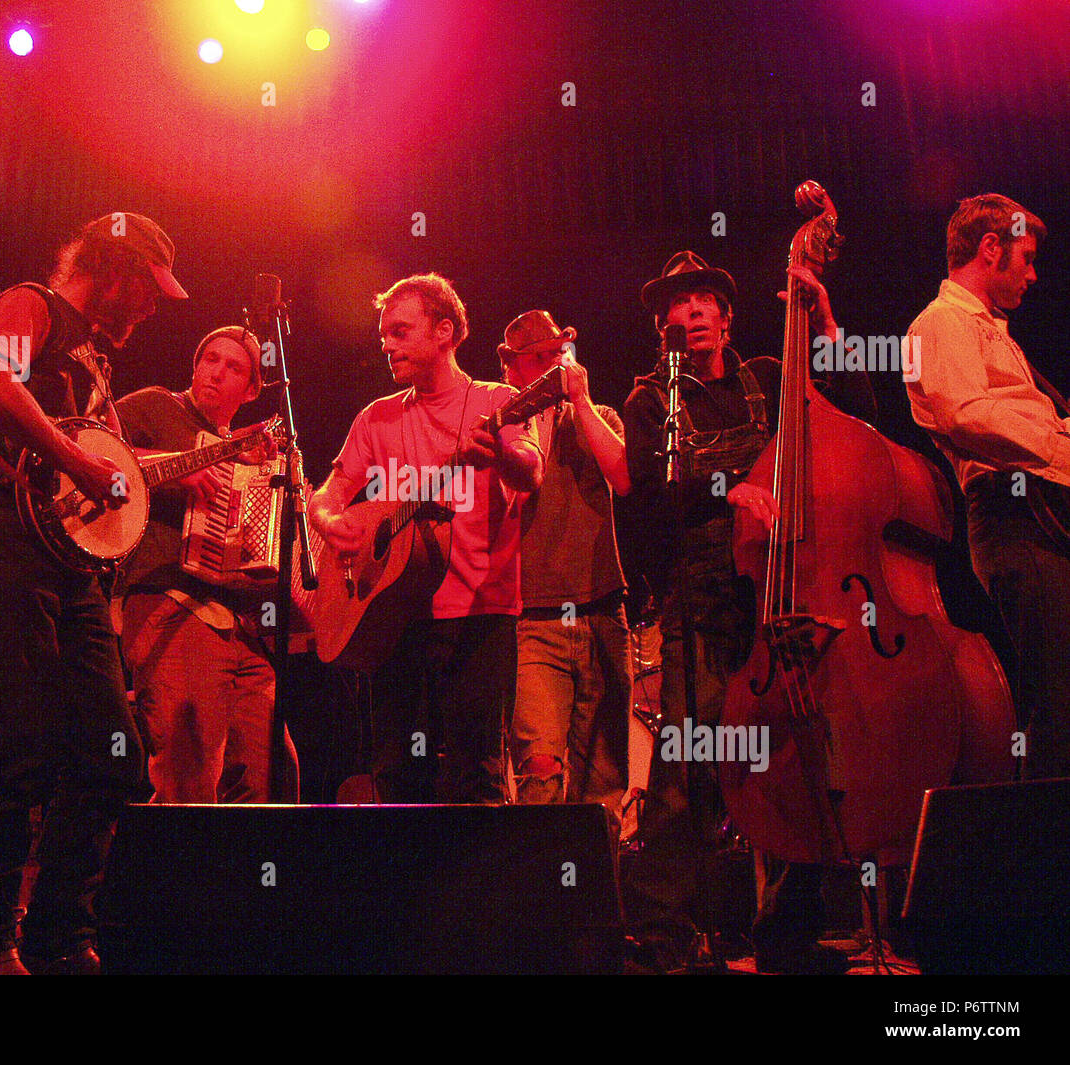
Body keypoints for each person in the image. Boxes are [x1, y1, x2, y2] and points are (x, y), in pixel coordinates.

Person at [0, 212, 186, 974]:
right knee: (19, 750)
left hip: (71, 565)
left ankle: (58, 935)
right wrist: (76, 461)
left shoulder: (94, 360)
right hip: (3, 545)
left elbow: (106, 460)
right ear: (113, 270)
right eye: (146, 292)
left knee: (116, 757)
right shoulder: (33, 303)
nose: (149, 310)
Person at [622, 251, 876, 974]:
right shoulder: (651, 399)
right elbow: (643, 486)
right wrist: (726, 486)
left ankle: (793, 923)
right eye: (681, 302)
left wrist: (826, 325)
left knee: (801, 753)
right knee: (690, 765)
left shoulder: (770, 374)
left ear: (728, 317)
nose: (695, 310)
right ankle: (664, 933)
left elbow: (859, 412)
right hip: (700, 594)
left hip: (785, 586)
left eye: (707, 299)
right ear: (665, 323)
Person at [309, 273, 543, 803]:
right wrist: (328, 523)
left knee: (476, 774)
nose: (386, 345)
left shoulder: (500, 401)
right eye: (384, 334)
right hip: (394, 616)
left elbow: (530, 474)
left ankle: (476, 888)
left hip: (479, 615)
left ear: (445, 332)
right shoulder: (376, 417)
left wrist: (501, 454)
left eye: (400, 332)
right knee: (394, 775)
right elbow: (327, 493)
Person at [904, 193, 1064, 776]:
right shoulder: (938, 323)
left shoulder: (998, 333)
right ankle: (1045, 852)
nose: (1033, 272)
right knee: (1055, 695)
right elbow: (964, 412)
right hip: (1014, 517)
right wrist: (1058, 443)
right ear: (990, 248)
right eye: (1025, 256)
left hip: (1042, 510)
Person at [116, 325, 297, 803]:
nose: (216, 372)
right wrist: (177, 464)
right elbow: (89, 453)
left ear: (253, 389)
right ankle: (175, 877)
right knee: (189, 774)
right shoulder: (156, 405)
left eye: (233, 366)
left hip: (242, 627)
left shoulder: (250, 452)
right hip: (170, 604)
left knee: (270, 775)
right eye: (209, 359)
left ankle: (249, 877)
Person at [497, 310, 631, 815]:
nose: (556, 365)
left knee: (604, 781)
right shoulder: (505, 429)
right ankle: (541, 891)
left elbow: (623, 477)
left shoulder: (601, 418)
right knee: (539, 773)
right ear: (513, 367)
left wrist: (581, 400)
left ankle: (597, 892)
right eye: (542, 358)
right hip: (533, 619)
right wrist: (535, 415)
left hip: (603, 612)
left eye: (560, 354)